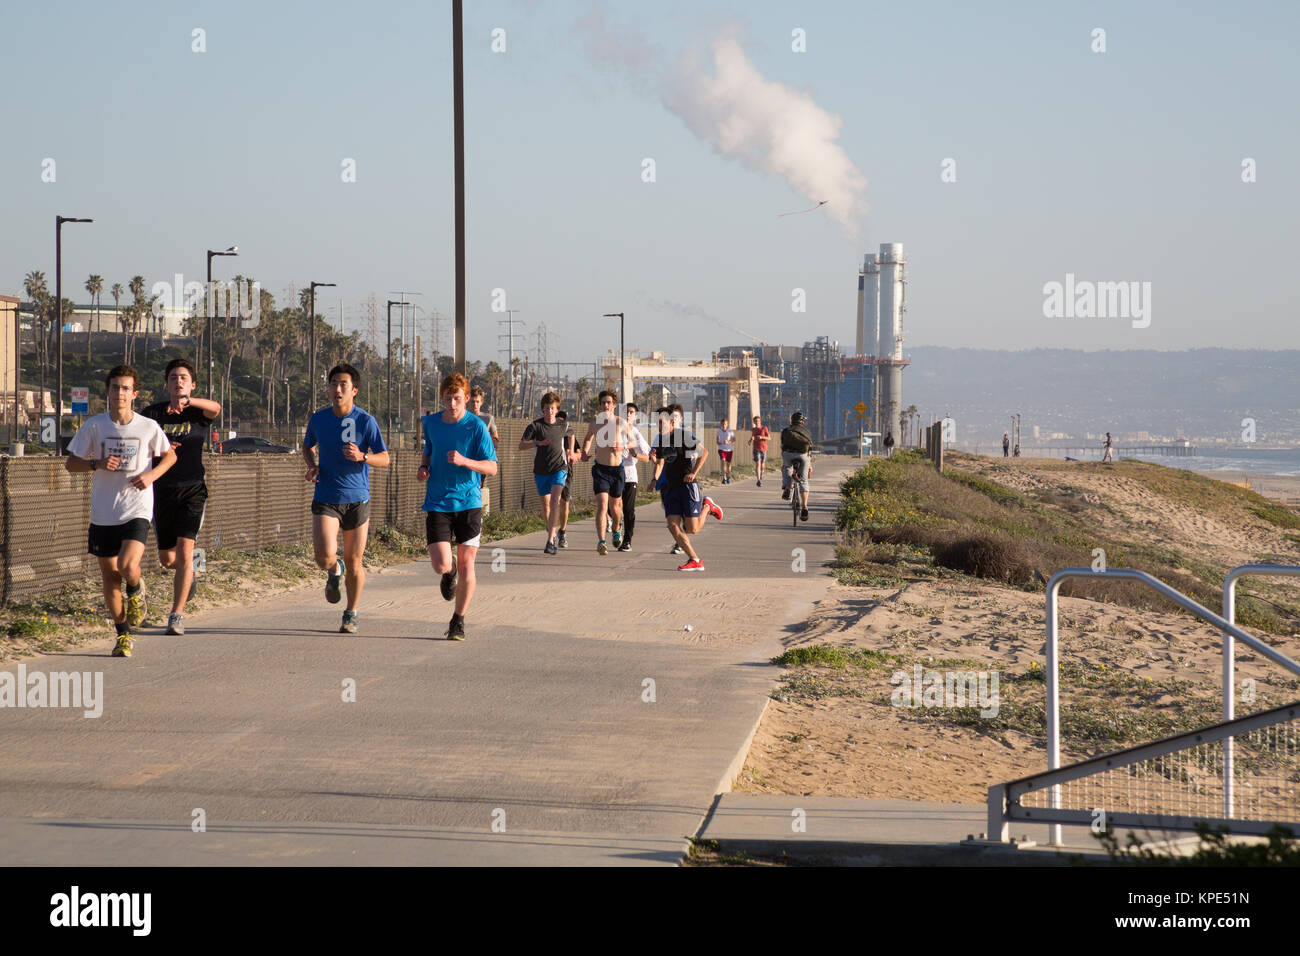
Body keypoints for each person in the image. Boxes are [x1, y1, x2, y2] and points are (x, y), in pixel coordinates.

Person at [65, 365, 177, 658]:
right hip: (103, 511)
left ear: (134, 394)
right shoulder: (95, 425)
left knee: (127, 567)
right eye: (115, 387)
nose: (120, 393)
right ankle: (123, 634)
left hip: (136, 508)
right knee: (110, 575)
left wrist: (151, 477)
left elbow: (170, 456)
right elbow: (71, 463)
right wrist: (96, 464)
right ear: (108, 391)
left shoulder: (148, 427)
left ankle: (137, 589)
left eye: (126, 388)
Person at [302, 364, 390, 634]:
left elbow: (384, 458)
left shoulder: (366, 421)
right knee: (323, 555)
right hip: (327, 495)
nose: (337, 389)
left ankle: (351, 612)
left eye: (343, 384)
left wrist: (363, 456)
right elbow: (307, 446)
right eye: (333, 384)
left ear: (354, 390)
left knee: (355, 561)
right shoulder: (319, 419)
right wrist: (312, 464)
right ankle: (333, 569)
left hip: (357, 499)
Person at [142, 358, 221, 635]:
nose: (178, 382)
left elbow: (216, 408)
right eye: (174, 378)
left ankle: (176, 615)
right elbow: (140, 445)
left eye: (184, 377)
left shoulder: (197, 414)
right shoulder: (152, 414)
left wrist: (191, 401)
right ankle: (188, 576)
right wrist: (160, 451)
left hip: (192, 489)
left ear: (192, 384)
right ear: (167, 384)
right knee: (168, 559)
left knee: (186, 550)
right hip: (161, 490)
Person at [418, 373, 498, 641]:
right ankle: (448, 574)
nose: (452, 404)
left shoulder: (476, 427)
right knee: (441, 564)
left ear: (466, 398)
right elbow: (429, 449)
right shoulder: (430, 423)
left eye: (457, 398)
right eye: (447, 399)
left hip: (469, 502)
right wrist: (423, 467)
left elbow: (492, 467)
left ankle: (458, 620)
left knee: (467, 564)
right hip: (438, 501)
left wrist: (466, 461)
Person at [650, 404, 723, 571]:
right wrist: (654, 470)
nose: (659, 426)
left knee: (692, 529)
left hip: (687, 486)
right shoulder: (661, 440)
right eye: (657, 423)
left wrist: (694, 473)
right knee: (672, 525)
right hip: (671, 488)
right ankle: (694, 559)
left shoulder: (682, 435)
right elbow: (662, 461)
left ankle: (707, 507)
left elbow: (704, 452)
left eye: (662, 422)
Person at [581, 390, 632, 555]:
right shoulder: (595, 424)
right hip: (600, 469)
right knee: (602, 505)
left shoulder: (621, 423)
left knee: (616, 507)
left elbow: (633, 442)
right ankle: (601, 541)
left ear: (614, 405)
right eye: (603, 402)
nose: (605, 405)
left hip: (617, 470)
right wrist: (584, 451)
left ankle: (617, 529)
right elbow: (588, 438)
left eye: (608, 402)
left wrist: (622, 446)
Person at [519, 393, 569, 554]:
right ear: (542, 409)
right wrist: (537, 443)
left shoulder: (562, 425)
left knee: (555, 501)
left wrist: (571, 453)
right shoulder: (535, 426)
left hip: (559, 468)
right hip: (541, 470)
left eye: (552, 408)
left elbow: (572, 433)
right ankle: (552, 532)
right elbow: (521, 445)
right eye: (547, 408)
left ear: (557, 409)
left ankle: (549, 542)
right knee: (546, 505)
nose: (549, 411)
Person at [616, 402, 651, 551]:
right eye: (626, 412)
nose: (628, 414)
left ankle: (627, 540)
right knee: (612, 508)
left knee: (628, 509)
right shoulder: (614, 430)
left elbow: (647, 456)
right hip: (614, 473)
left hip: (629, 474)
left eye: (631, 412)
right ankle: (617, 524)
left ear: (635, 416)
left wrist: (635, 454)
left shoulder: (636, 433)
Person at [468, 386, 499, 516]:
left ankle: (477, 516)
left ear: (481, 402)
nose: (475, 404)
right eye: (472, 401)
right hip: (466, 457)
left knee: (478, 487)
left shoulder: (488, 418)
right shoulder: (463, 416)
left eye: (477, 401)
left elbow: (495, 436)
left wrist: (492, 447)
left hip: (481, 459)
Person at [780, 411, 815, 521]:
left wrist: (784, 462)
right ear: (802, 422)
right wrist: (809, 465)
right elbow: (809, 451)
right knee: (803, 481)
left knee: (786, 468)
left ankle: (787, 487)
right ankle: (805, 506)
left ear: (792, 421)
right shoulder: (806, 432)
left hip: (788, 455)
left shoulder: (786, 431)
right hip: (802, 456)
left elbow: (783, 447)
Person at [556, 410, 576, 548]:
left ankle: (562, 532)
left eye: (563, 420)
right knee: (553, 501)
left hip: (566, 469)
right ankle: (551, 527)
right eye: (558, 419)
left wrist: (572, 454)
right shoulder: (550, 433)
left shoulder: (568, 435)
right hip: (552, 469)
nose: (560, 422)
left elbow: (578, 453)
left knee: (564, 502)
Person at [748, 415, 771, 486]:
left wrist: (762, 437)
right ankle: (758, 480)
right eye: (755, 421)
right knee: (758, 463)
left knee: (762, 464)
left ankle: (762, 471)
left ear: (760, 421)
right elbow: (753, 436)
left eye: (758, 421)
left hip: (764, 448)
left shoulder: (764, 428)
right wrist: (750, 440)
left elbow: (769, 438)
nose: (757, 422)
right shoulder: (753, 429)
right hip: (756, 448)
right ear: (754, 422)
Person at [716, 419, 736, 484]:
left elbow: (734, 439)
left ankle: (728, 476)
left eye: (725, 424)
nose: (724, 425)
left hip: (729, 450)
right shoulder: (718, 431)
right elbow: (717, 440)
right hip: (721, 449)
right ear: (721, 424)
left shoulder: (730, 431)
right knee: (723, 461)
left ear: (727, 425)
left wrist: (729, 442)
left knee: (728, 465)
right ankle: (723, 478)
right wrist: (719, 442)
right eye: (722, 424)